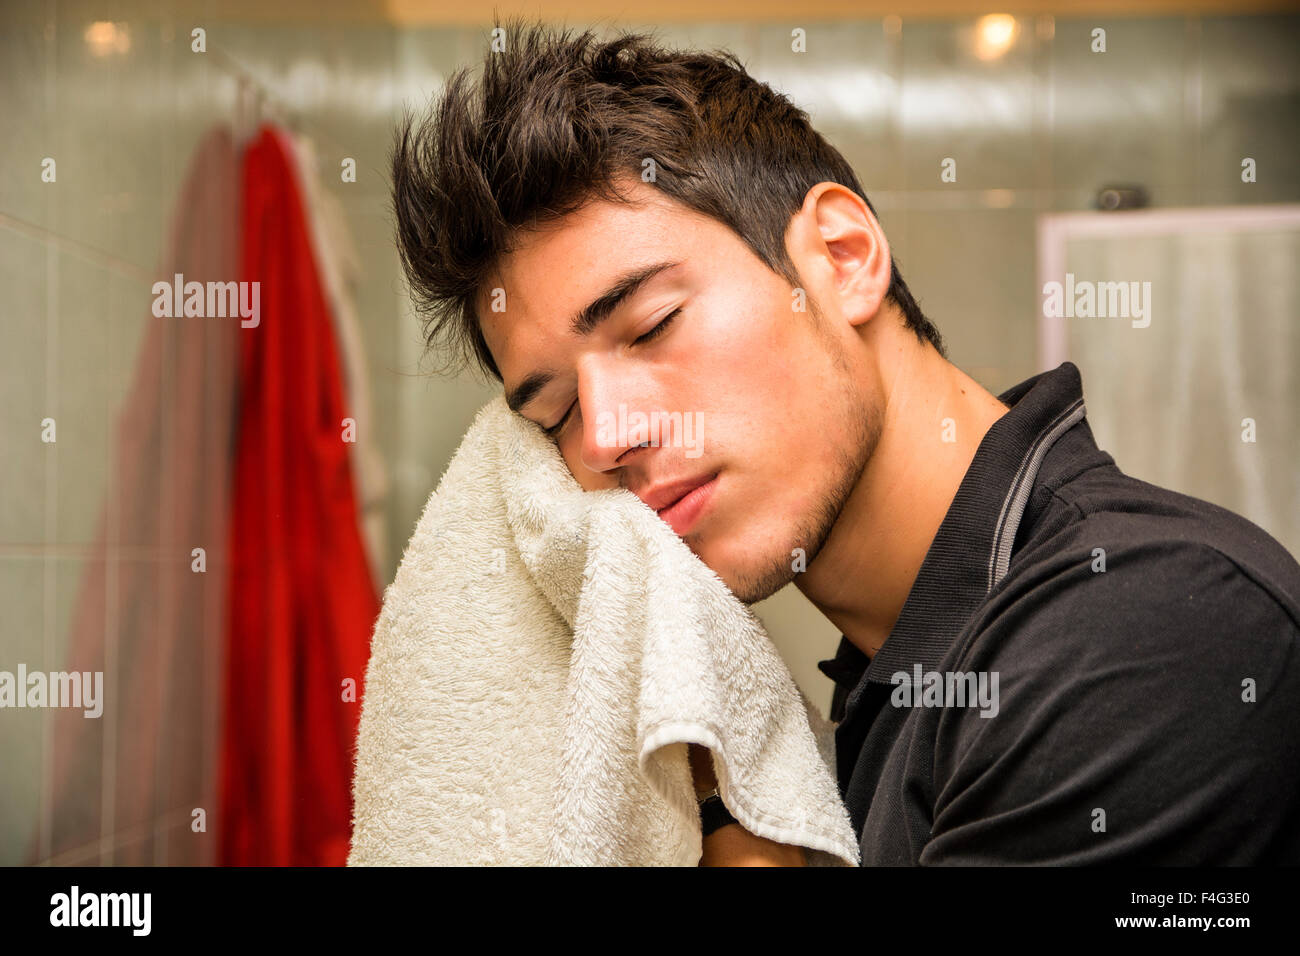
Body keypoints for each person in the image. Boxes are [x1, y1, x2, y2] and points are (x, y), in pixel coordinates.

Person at [390, 17, 1300, 865]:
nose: (612, 439)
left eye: (653, 324)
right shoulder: (891, 678)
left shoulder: (1147, 631)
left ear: (843, 256)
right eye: (558, 417)